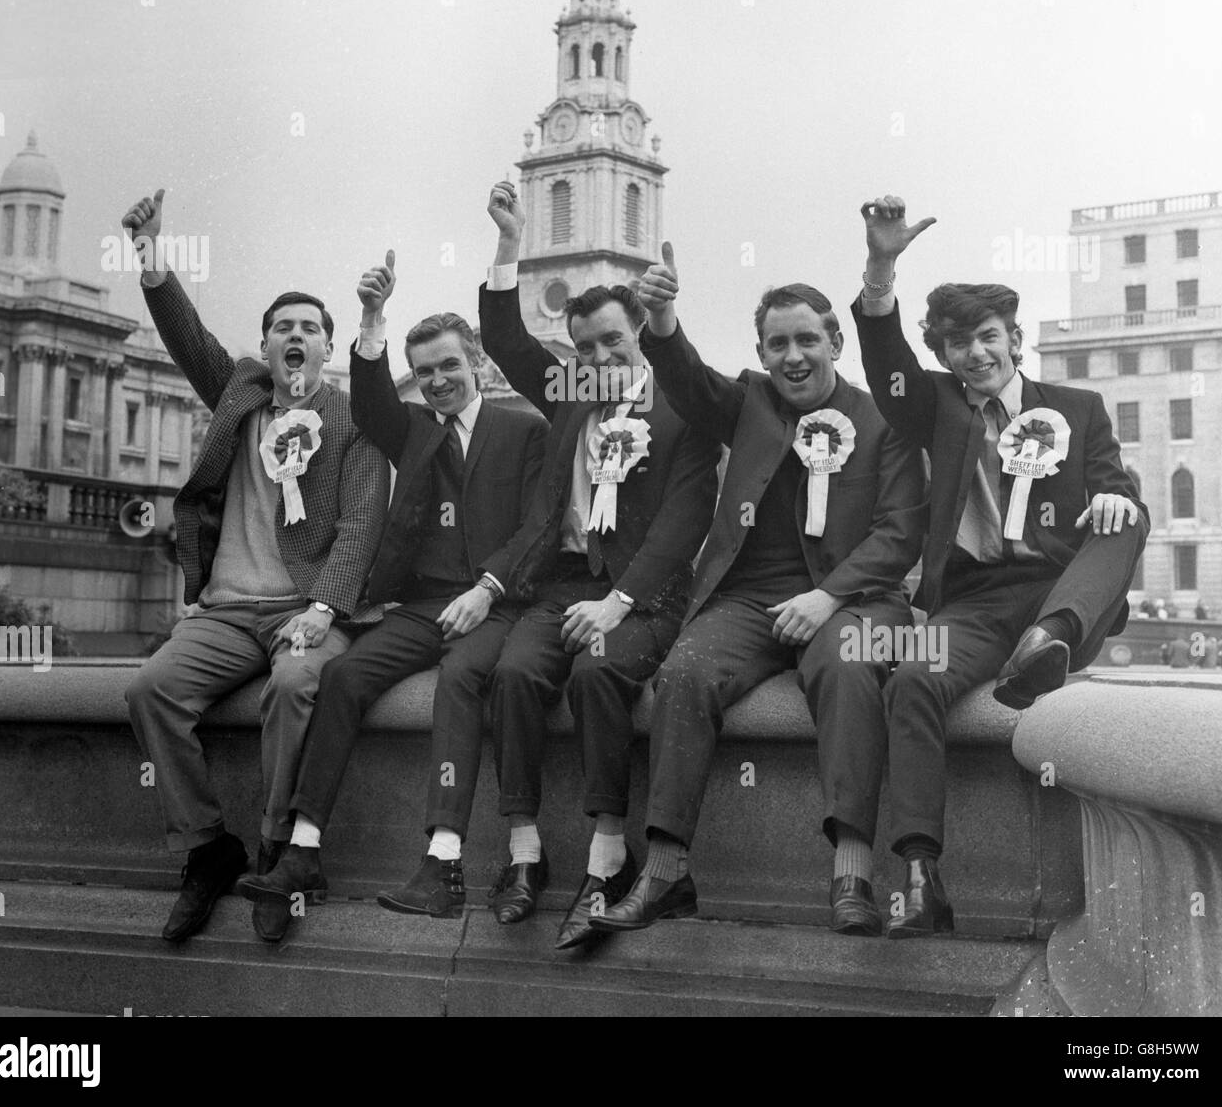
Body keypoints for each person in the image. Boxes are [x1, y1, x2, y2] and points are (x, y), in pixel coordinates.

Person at [584, 243, 926, 941]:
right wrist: (664, 315)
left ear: (836, 341)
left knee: (848, 666)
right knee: (683, 674)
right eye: (778, 344)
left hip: (854, 600)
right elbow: (686, 379)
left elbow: (899, 533)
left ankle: (853, 874)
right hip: (748, 598)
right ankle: (667, 870)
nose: (793, 355)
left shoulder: (885, 421)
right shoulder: (748, 404)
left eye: (807, 339)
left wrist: (828, 597)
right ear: (763, 353)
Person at [850, 195, 1148, 936]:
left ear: (1014, 338)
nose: (975, 355)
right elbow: (887, 363)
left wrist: (1112, 497)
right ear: (944, 354)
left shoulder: (1076, 407)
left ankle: (1049, 641)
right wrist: (882, 266)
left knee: (1129, 514)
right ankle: (922, 877)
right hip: (976, 601)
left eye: (986, 337)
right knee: (912, 678)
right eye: (956, 345)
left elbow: (1112, 478)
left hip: (1064, 585)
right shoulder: (939, 408)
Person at [236, 252, 548, 938]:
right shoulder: (414, 431)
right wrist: (373, 320)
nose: (437, 381)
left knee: (462, 678)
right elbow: (374, 399)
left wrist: (489, 587)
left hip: (501, 603)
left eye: (449, 367)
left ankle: (442, 864)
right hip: (425, 605)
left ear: (479, 367)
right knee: (344, 676)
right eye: (426, 370)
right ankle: (304, 850)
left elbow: (539, 525)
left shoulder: (524, 430)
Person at [120, 190, 389, 942]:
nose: (293, 337)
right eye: (281, 328)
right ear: (265, 348)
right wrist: (150, 252)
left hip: (307, 610)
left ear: (328, 350)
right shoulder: (238, 392)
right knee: (149, 691)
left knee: (299, 682)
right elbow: (185, 335)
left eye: (309, 328)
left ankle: (276, 848)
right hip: (228, 611)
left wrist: (326, 609)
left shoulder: (356, 417)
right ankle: (209, 848)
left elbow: (363, 522)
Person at [477, 182, 719, 946]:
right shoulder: (573, 394)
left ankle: (608, 856)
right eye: (584, 347)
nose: (599, 358)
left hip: (647, 596)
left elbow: (685, 523)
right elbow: (509, 345)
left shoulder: (685, 411)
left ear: (642, 331)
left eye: (612, 341)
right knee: (513, 675)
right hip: (566, 585)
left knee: (596, 673)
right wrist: (510, 244)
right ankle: (524, 851)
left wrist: (618, 604)